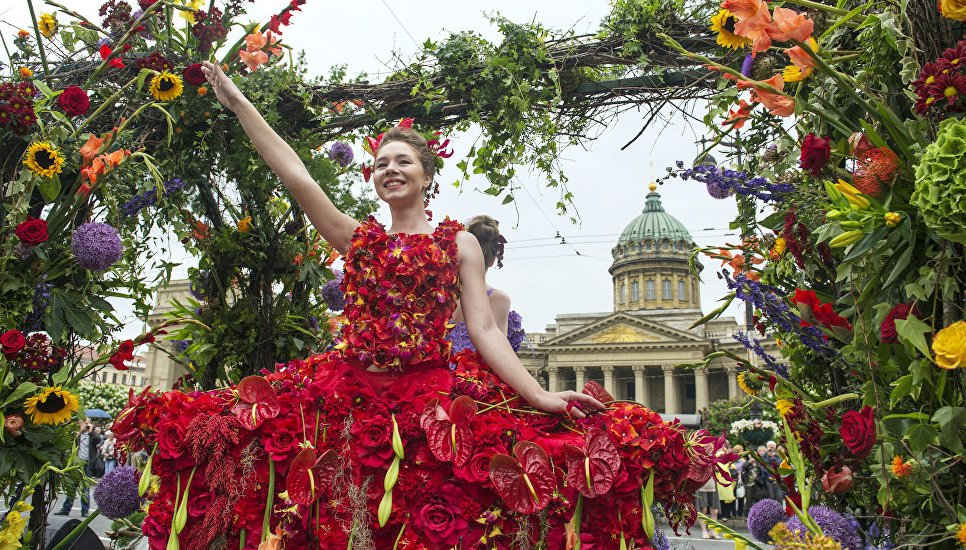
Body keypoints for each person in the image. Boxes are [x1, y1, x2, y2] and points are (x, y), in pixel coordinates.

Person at [110, 62, 731, 548]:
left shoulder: (458, 243)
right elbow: (296, 174)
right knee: (311, 505)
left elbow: (484, 330)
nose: (389, 170)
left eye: (402, 161)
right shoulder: (356, 237)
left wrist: (539, 396)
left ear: (427, 174)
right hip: (343, 395)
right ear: (373, 180)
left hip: (428, 401)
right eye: (380, 164)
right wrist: (240, 104)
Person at [445, 215, 525, 354]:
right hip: (471, 375)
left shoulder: (441, 295)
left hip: (431, 374)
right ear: (492, 260)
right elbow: (498, 354)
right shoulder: (498, 299)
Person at [56, 421, 101, 517]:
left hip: (87, 464)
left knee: (85, 487)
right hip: (76, 463)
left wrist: (91, 431)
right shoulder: (77, 434)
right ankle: (66, 508)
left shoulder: (91, 434)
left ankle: (85, 510)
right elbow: (68, 442)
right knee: (72, 486)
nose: (85, 425)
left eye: (86, 423)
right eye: (83, 423)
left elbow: (98, 440)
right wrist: (79, 432)